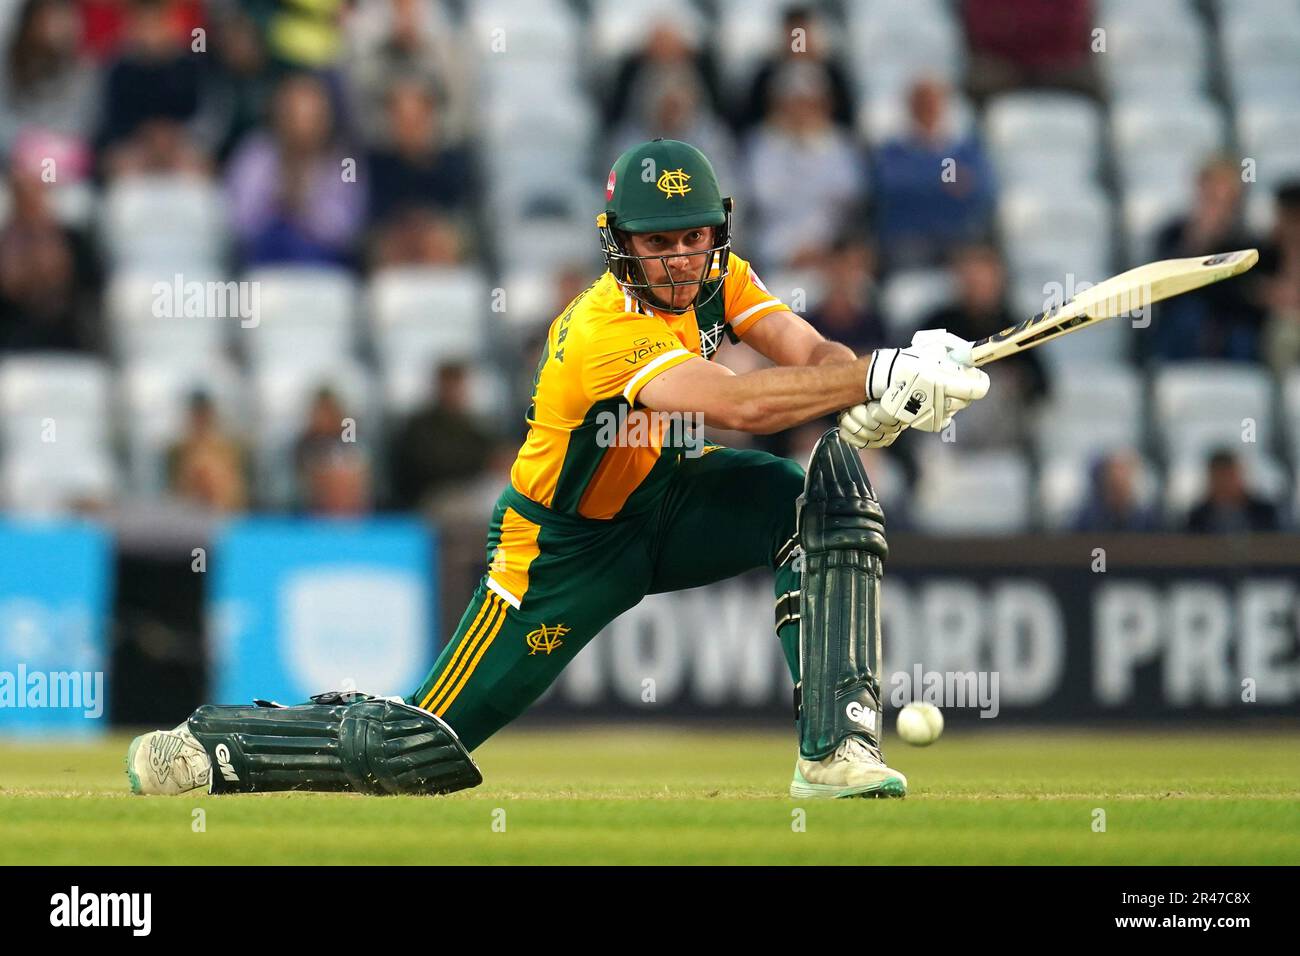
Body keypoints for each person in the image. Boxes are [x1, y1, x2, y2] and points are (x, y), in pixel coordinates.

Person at [125, 139, 989, 801]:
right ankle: (221, 741)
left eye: (697, 239)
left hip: (669, 497)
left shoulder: (719, 275)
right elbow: (735, 405)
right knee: (415, 749)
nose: (684, 261)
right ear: (620, 246)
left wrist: (873, 395)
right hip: (558, 551)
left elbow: (808, 352)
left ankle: (836, 749)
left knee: (819, 496)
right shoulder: (602, 328)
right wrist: (877, 371)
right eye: (662, 245)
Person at [1185, 450, 1281, 534]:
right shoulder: (1196, 518)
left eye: (1229, 476)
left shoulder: (1264, 513)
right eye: (1219, 478)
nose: (1224, 484)